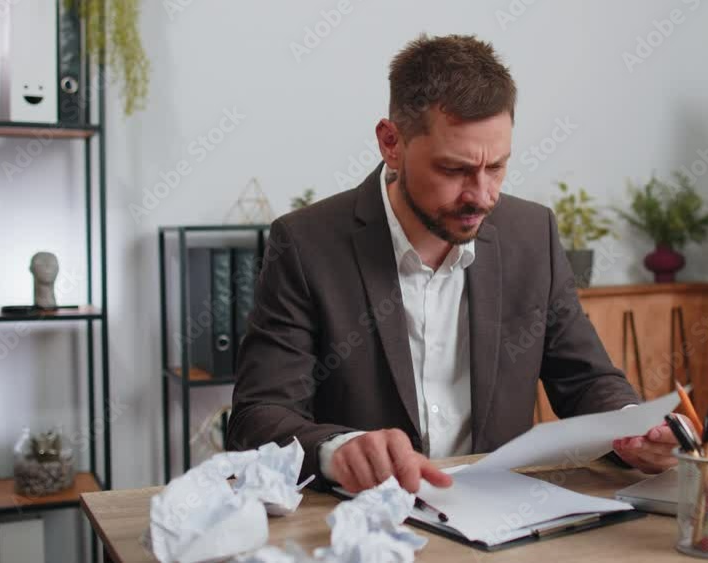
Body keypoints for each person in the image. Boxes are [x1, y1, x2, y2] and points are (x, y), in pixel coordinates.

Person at [226, 34, 679, 494]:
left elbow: (584, 379)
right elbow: (258, 417)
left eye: (497, 167)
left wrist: (631, 430)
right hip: (366, 524)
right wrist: (337, 449)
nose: (482, 196)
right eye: (454, 170)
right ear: (391, 143)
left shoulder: (531, 234)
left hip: (503, 518)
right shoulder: (306, 244)